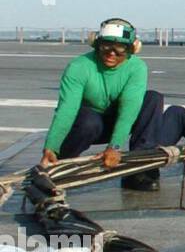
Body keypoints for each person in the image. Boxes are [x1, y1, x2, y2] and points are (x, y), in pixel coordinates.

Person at [39, 18, 167, 192]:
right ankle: (59, 164)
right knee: (89, 121)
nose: (111, 53)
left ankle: (139, 168)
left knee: (153, 99)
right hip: (89, 126)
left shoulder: (137, 68)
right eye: (106, 46)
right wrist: (51, 146)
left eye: (120, 48)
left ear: (132, 49)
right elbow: (66, 109)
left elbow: (130, 109)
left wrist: (114, 147)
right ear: (96, 44)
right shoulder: (79, 67)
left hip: (119, 121)